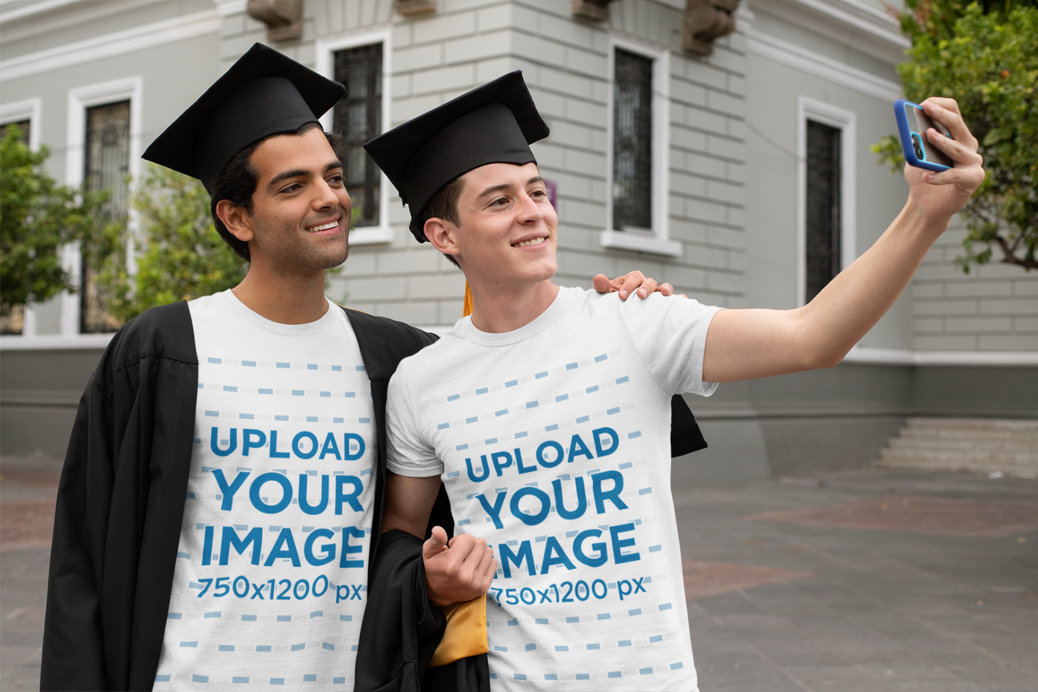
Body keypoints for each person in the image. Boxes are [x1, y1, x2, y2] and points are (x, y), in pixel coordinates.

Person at [39, 44, 683, 691]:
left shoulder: (397, 360)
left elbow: (454, 502)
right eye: (294, 186)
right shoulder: (165, 349)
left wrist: (616, 315)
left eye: (335, 177)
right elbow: (85, 563)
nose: (329, 199)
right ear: (237, 217)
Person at [360, 71, 984, 690]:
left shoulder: (636, 322)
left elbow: (813, 337)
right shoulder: (422, 380)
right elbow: (401, 536)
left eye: (536, 192)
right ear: (444, 236)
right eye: (499, 201)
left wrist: (924, 214)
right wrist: (433, 579)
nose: (533, 214)